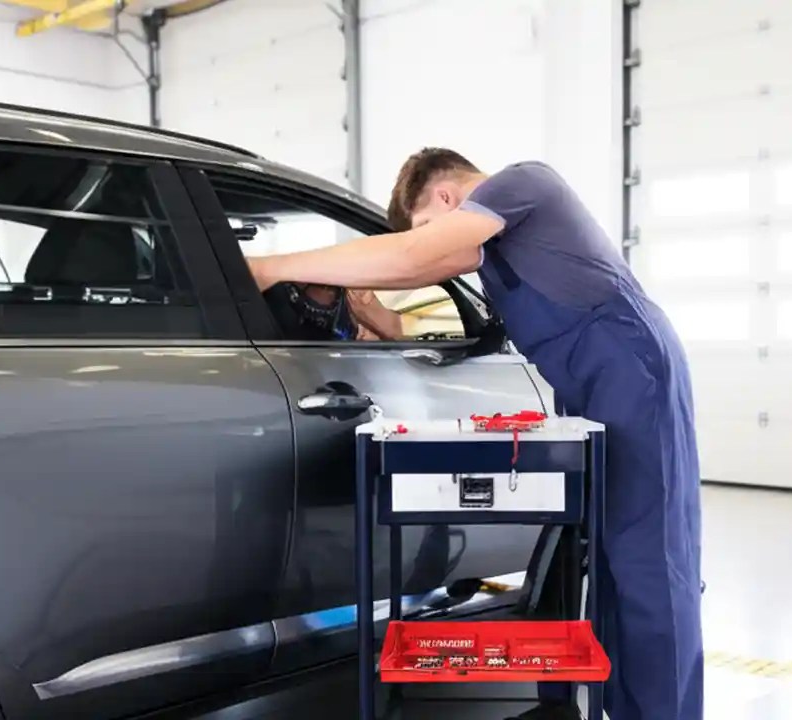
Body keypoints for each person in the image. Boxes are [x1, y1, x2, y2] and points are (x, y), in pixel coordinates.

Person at [246, 149, 704, 720]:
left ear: (445, 197)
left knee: (650, 557)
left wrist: (270, 268)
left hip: (628, 367)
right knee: (610, 558)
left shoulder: (526, 181)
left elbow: (416, 259)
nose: (434, 242)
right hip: (592, 378)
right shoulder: (496, 237)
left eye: (427, 227)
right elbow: (418, 269)